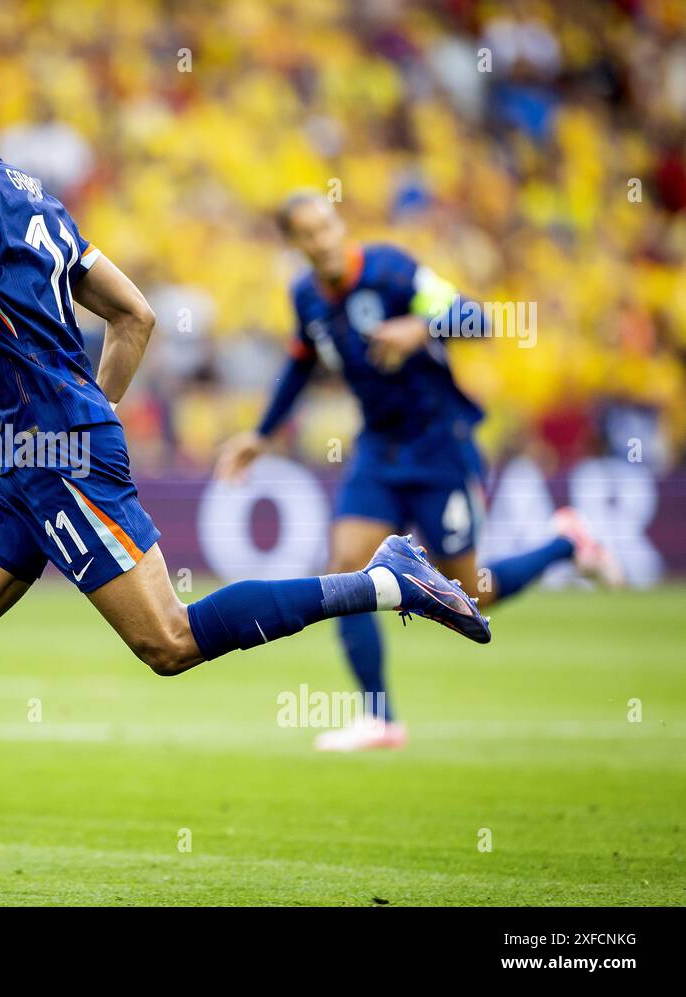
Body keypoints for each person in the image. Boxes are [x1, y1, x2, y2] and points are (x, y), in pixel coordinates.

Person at [0, 49, 489, 906]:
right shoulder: (36, 198)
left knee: (167, 643)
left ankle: (385, 583)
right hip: (28, 453)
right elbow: (134, 314)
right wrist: (85, 412)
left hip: (48, 447)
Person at [214, 192, 622, 752]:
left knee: (469, 590)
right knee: (345, 566)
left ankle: (566, 544)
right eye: (308, 233)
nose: (323, 239)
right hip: (380, 450)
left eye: (328, 225)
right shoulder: (306, 296)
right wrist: (262, 434)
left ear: (339, 224)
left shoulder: (392, 271)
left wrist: (421, 327)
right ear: (295, 244)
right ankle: (379, 718)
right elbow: (301, 363)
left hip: (440, 445)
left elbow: (477, 318)